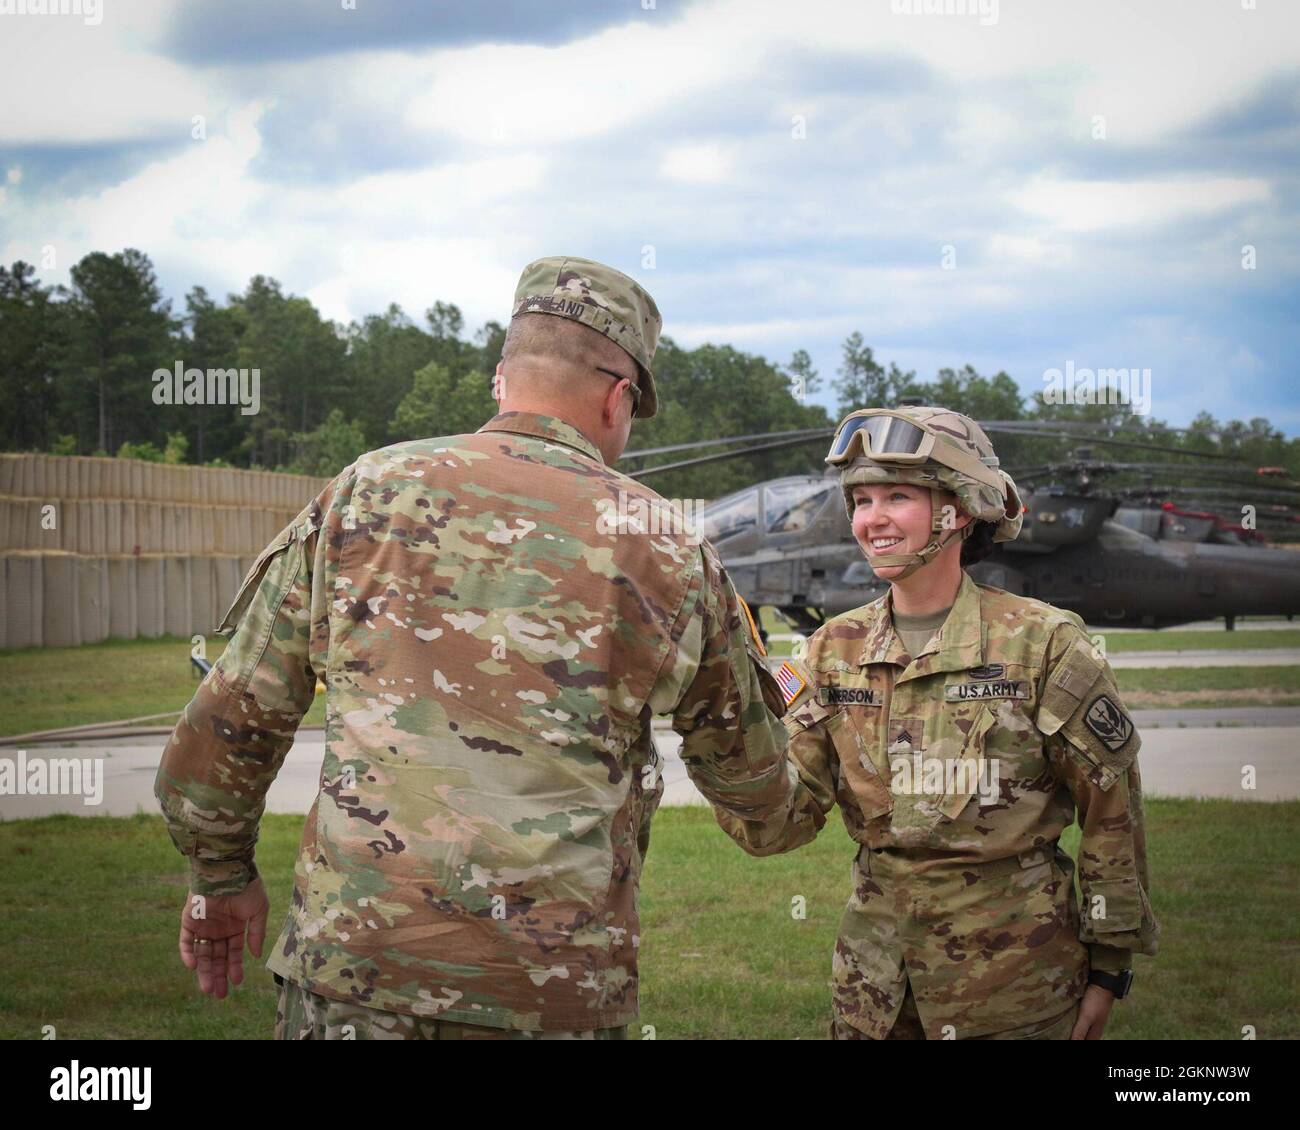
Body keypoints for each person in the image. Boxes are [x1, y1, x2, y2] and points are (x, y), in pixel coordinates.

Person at [155, 255, 799, 1040]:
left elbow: (235, 716)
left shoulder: (364, 492)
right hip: (550, 992)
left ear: (503, 378)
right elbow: (758, 795)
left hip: (355, 973)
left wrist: (219, 879)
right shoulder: (663, 542)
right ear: (618, 396)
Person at [717, 406, 1159, 1040]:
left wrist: (1109, 966)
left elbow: (1111, 810)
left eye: (898, 496)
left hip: (1016, 993)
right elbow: (781, 823)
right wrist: (719, 729)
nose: (873, 519)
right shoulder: (831, 650)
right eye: (862, 499)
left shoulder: (1044, 644)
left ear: (959, 510)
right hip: (874, 997)